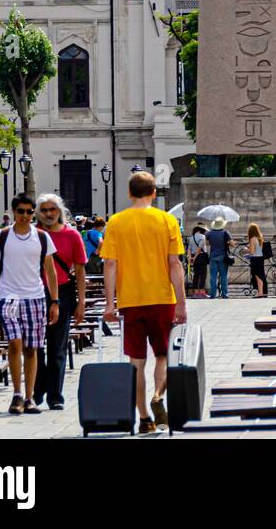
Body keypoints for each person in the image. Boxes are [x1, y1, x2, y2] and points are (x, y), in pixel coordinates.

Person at [101, 171, 186, 435]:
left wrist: (109, 304)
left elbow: (111, 264)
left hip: (131, 300)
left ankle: (144, 418)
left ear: (129, 193)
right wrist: (181, 303)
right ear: (153, 193)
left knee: (136, 361)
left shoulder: (116, 222)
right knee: (163, 355)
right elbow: (175, 264)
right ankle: (158, 395)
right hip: (162, 298)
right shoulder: (167, 220)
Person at [0, 193, 59, 415]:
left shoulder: (42, 237)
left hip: (35, 297)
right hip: (9, 296)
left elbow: (50, 271)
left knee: (31, 349)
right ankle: (16, 393)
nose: (25, 215)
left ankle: (29, 397)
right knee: (15, 344)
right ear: (14, 212)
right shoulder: (2, 236)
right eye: (21, 211)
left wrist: (54, 301)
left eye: (28, 211)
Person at [33, 192, 87, 411]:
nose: (48, 214)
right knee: (35, 346)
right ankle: (38, 388)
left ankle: (55, 395)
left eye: (52, 210)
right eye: (44, 210)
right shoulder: (32, 234)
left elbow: (81, 271)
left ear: (60, 211)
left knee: (57, 347)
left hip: (63, 293)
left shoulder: (71, 235)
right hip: (35, 292)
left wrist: (81, 302)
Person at [207, 217, 231, 299]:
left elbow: (207, 243)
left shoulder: (209, 233)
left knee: (213, 277)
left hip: (213, 256)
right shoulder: (225, 233)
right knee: (223, 276)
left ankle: (212, 294)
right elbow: (232, 244)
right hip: (223, 256)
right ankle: (224, 294)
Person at [187, 225, 208, 298]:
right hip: (201, 257)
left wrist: (190, 257)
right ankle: (202, 292)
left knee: (196, 275)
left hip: (193, 256)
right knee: (203, 275)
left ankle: (195, 292)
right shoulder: (202, 236)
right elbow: (200, 247)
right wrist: (195, 257)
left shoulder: (191, 237)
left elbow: (189, 248)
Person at [247, 223, 268, 298]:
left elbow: (252, 252)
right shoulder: (260, 237)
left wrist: (246, 249)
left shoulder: (252, 238)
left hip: (255, 259)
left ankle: (260, 293)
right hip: (261, 258)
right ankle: (262, 292)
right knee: (261, 275)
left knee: (257, 276)